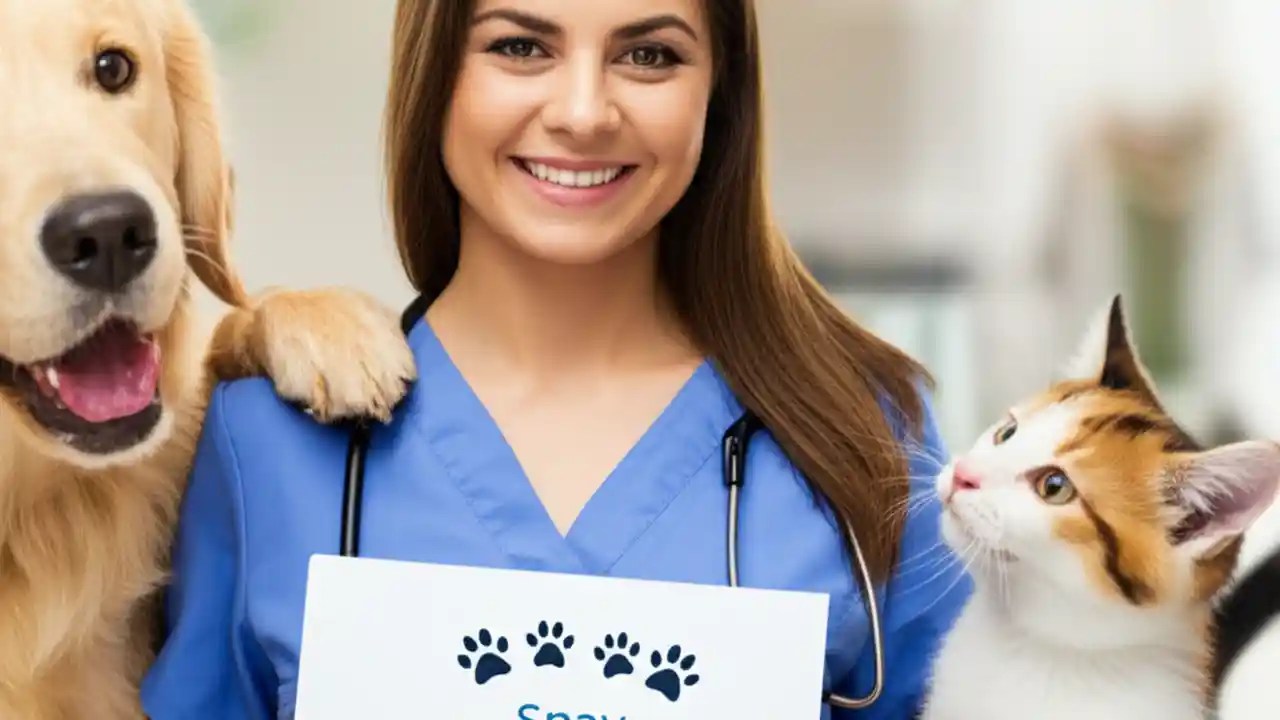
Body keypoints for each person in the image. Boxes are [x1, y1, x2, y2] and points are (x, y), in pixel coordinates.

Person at [140, 0, 972, 717]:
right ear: (436, 74)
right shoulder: (265, 446)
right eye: (520, 46)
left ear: (719, 92)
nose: (583, 112)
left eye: (649, 56)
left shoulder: (869, 435)